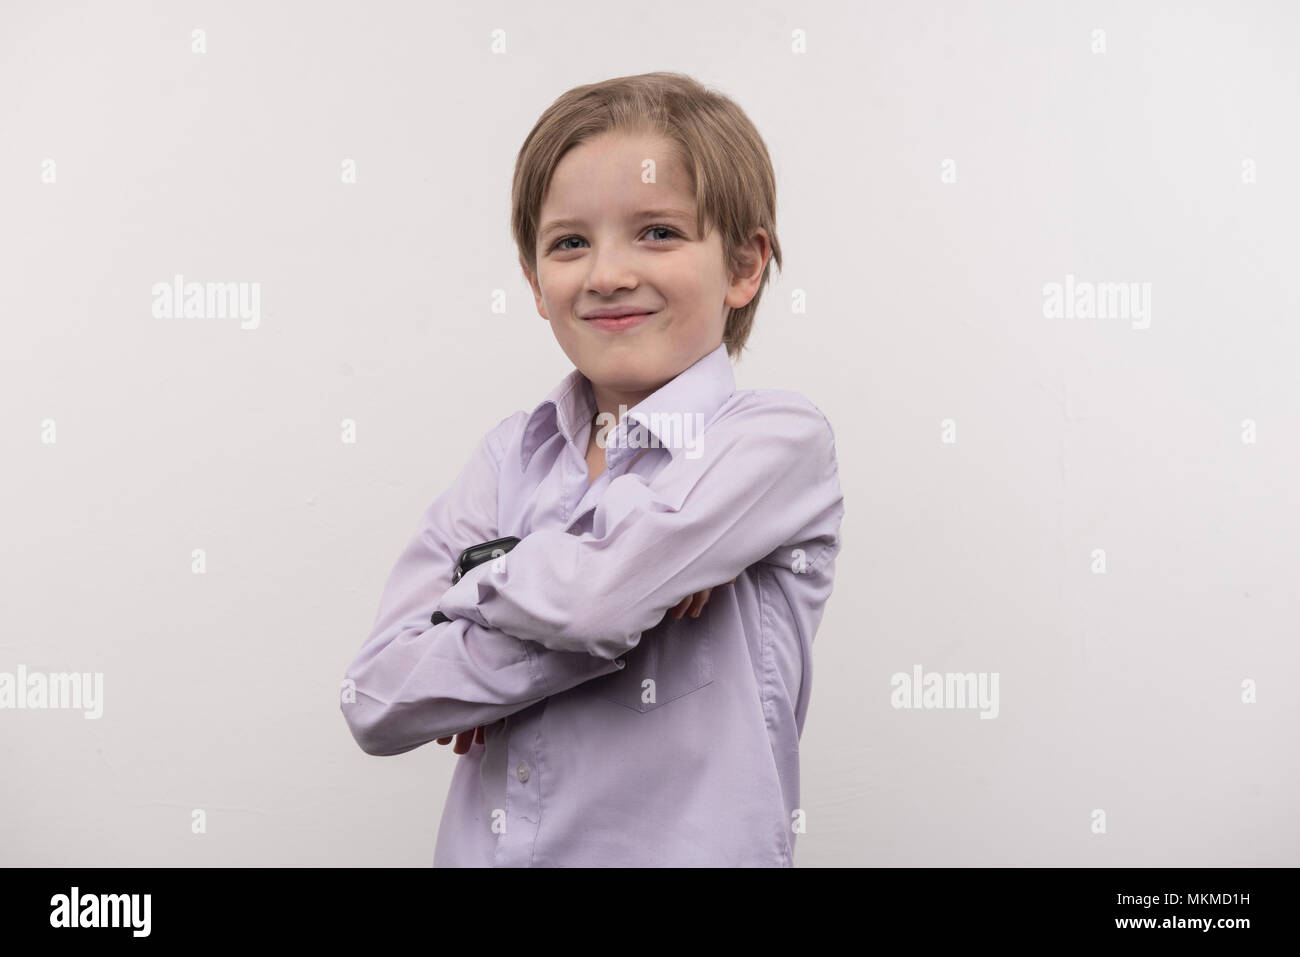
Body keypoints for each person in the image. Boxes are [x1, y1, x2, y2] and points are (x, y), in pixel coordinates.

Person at [339, 72, 845, 866]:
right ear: (536, 282)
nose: (607, 273)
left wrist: (471, 601)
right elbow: (375, 697)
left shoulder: (775, 442)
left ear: (745, 267)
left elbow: (596, 602)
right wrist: (618, 583)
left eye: (658, 233)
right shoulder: (509, 454)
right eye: (571, 242)